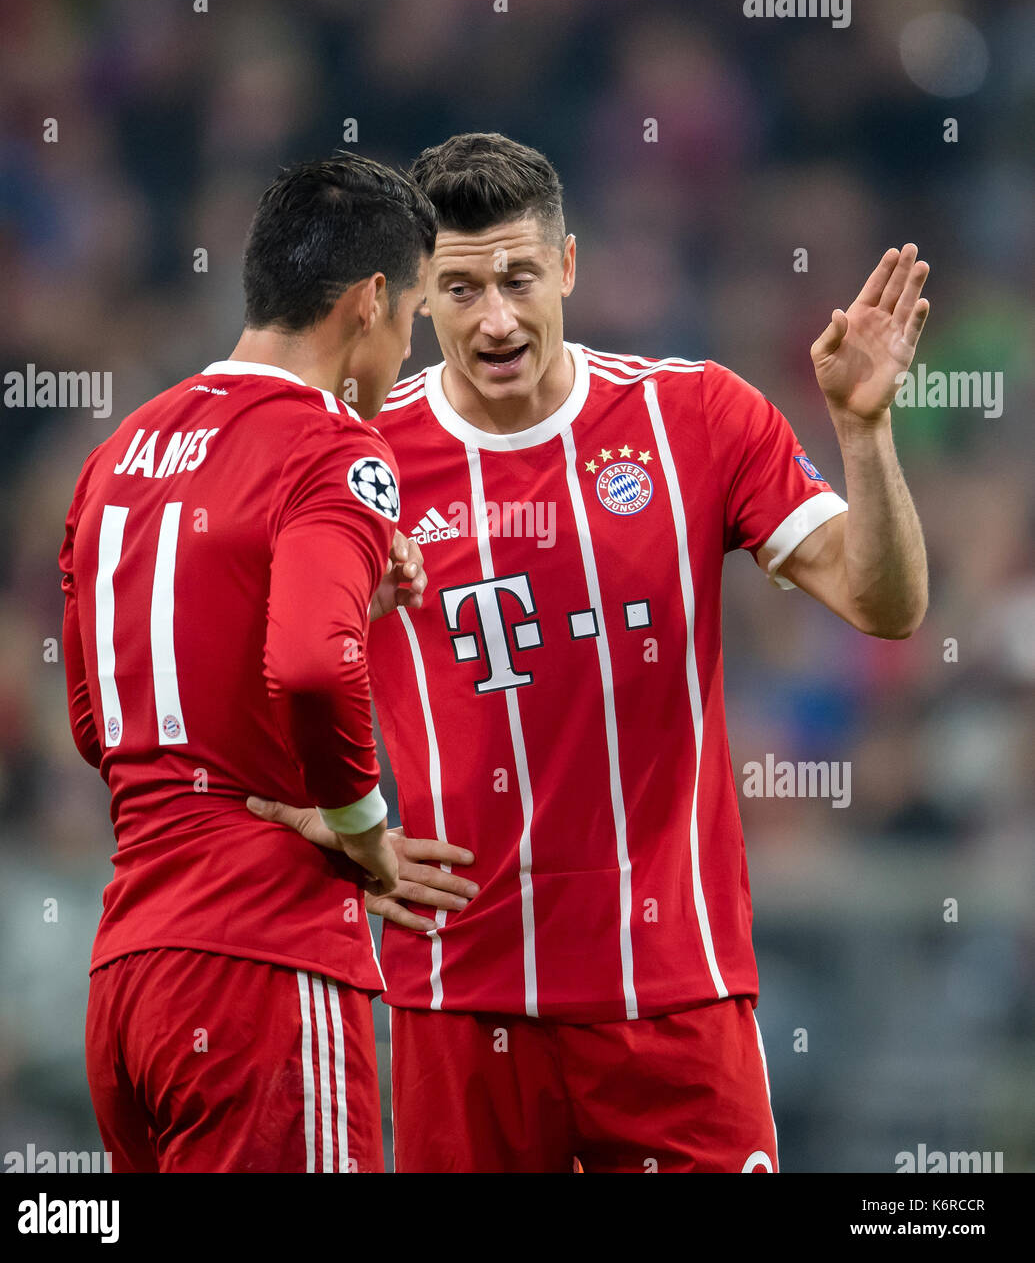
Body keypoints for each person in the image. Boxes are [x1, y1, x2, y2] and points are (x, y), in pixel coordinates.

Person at [253, 132, 930, 1173]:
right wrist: (325, 825)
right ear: (417, 298)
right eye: (462, 286)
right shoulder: (356, 454)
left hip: (673, 992)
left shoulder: (692, 415)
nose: (496, 316)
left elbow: (883, 604)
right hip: (460, 1000)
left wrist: (862, 431)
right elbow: (249, 662)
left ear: (567, 267)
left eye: (520, 277)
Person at [60, 154, 463, 1173]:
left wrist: (338, 600)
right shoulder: (333, 451)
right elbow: (315, 671)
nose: (408, 346)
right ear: (371, 299)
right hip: (262, 964)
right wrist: (358, 826)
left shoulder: (119, 455)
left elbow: (98, 723)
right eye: (414, 313)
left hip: (129, 980)